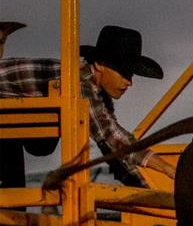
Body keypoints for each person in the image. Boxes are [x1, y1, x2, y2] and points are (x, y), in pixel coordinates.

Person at [0, 24, 176, 189]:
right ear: (99, 65)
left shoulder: (96, 93)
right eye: (123, 73)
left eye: (130, 74)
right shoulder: (79, 84)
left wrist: (139, 188)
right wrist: (166, 168)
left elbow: (110, 146)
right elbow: (111, 136)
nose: (129, 82)